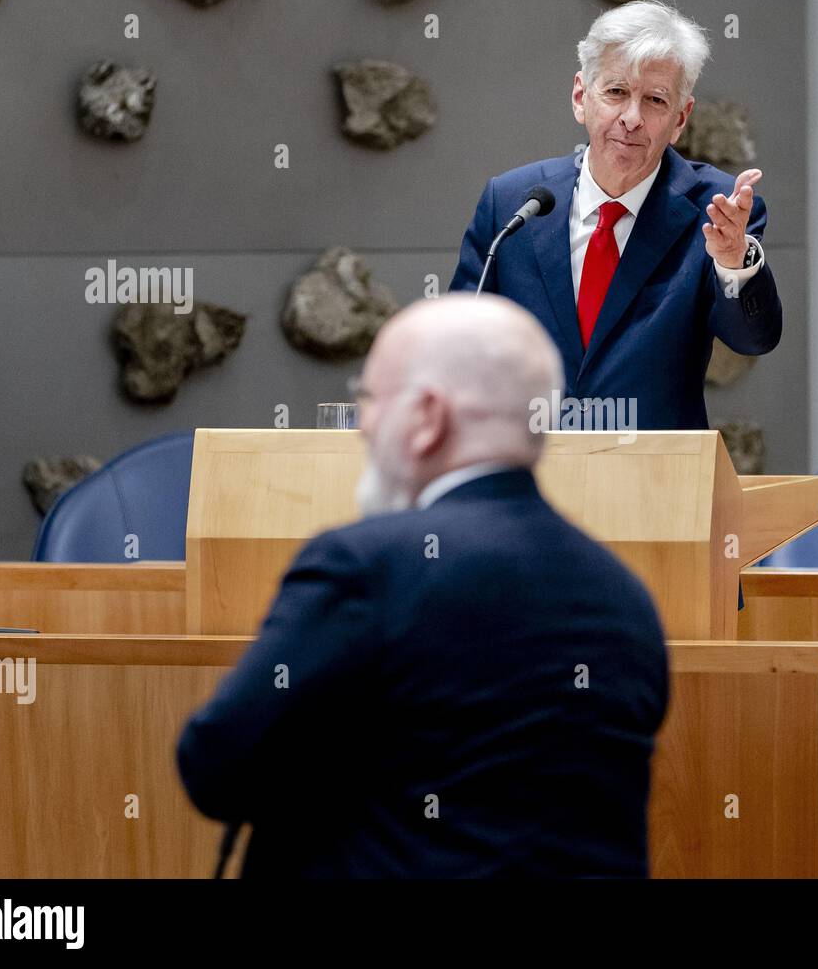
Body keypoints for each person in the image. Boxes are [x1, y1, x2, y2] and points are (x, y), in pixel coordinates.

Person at [177, 294, 669, 877]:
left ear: (429, 417)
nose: (362, 425)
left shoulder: (366, 566)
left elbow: (217, 768)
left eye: (370, 399)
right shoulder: (626, 598)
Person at [450, 0, 782, 430]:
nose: (631, 118)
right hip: (528, 474)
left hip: (655, 480)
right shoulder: (513, 201)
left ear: (681, 119)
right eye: (616, 92)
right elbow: (456, 340)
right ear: (580, 97)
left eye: (655, 101)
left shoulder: (718, 208)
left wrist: (734, 263)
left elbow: (753, 339)